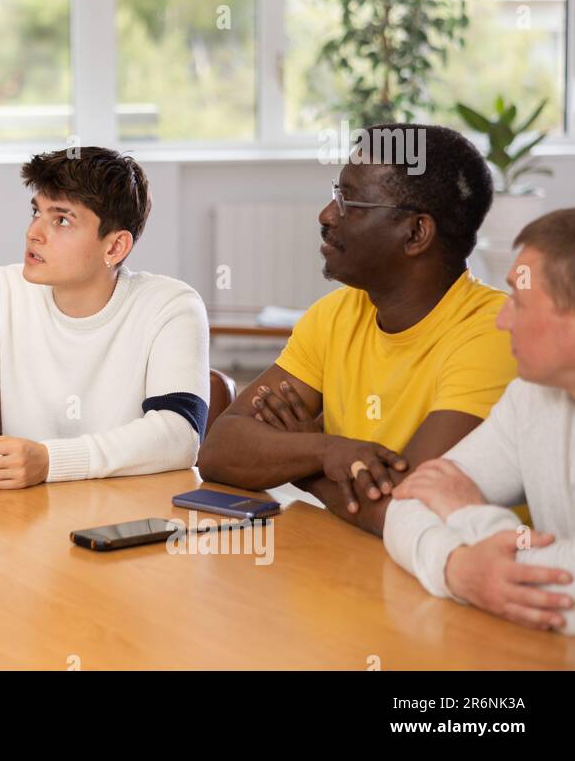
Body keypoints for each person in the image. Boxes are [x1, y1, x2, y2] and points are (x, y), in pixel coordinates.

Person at [197, 125, 517, 536]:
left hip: (463, 583)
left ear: (416, 233)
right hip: (358, 566)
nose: (327, 215)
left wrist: (300, 463)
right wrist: (326, 448)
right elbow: (221, 450)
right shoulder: (335, 314)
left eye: (350, 201)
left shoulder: (494, 334)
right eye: (335, 194)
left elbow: (407, 513)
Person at [0, 147, 209, 488]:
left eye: (61, 220)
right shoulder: (6, 290)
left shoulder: (172, 305)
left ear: (114, 248)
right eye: (36, 212)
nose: (34, 232)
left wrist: (52, 462)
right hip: (23, 518)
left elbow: (180, 433)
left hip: (130, 517)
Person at [385, 209, 575, 634]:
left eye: (520, 303)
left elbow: (563, 590)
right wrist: (456, 567)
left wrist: (467, 513)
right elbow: (409, 501)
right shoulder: (532, 395)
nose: (502, 319)